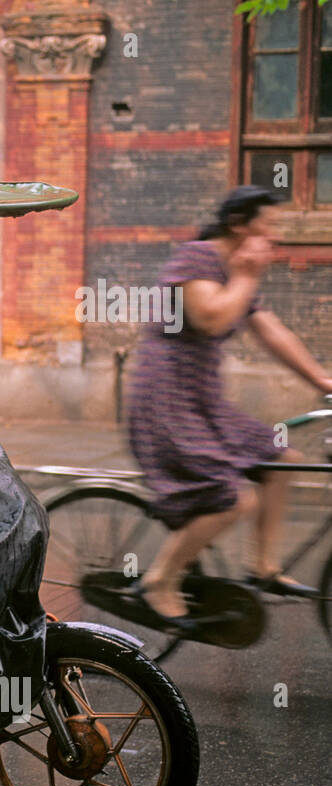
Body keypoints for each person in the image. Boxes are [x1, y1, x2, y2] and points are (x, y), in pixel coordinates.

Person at [126, 186, 332, 628]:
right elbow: (212, 317)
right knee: (232, 499)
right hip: (166, 400)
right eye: (269, 224)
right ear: (240, 224)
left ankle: (264, 569)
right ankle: (159, 581)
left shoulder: (234, 270)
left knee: (280, 459)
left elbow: (270, 332)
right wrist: (247, 276)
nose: (276, 235)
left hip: (204, 401)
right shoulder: (197, 258)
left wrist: (323, 381)